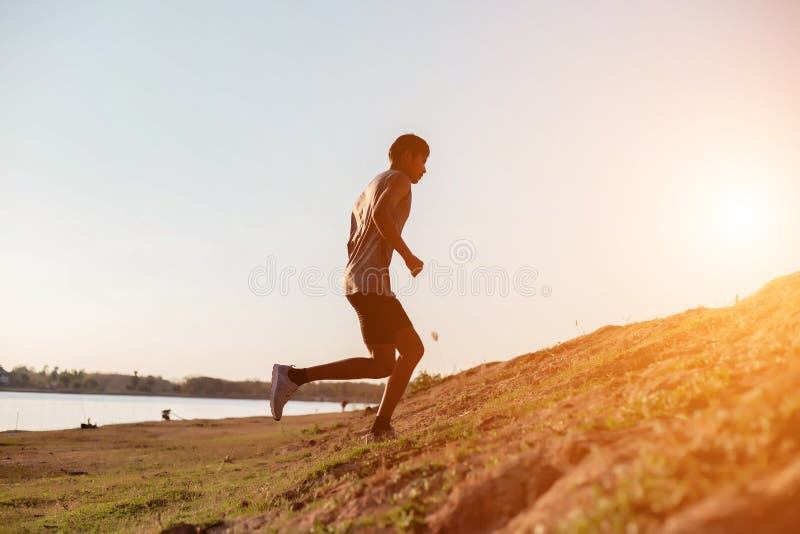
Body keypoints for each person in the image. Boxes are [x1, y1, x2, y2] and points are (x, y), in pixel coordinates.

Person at [270, 133, 429, 440]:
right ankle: (293, 376)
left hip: (359, 280)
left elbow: (350, 241)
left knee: (392, 359)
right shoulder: (399, 180)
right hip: (370, 283)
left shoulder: (368, 189)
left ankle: (379, 426)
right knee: (406, 353)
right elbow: (383, 216)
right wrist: (408, 257)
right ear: (408, 155)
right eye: (423, 161)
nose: (424, 170)